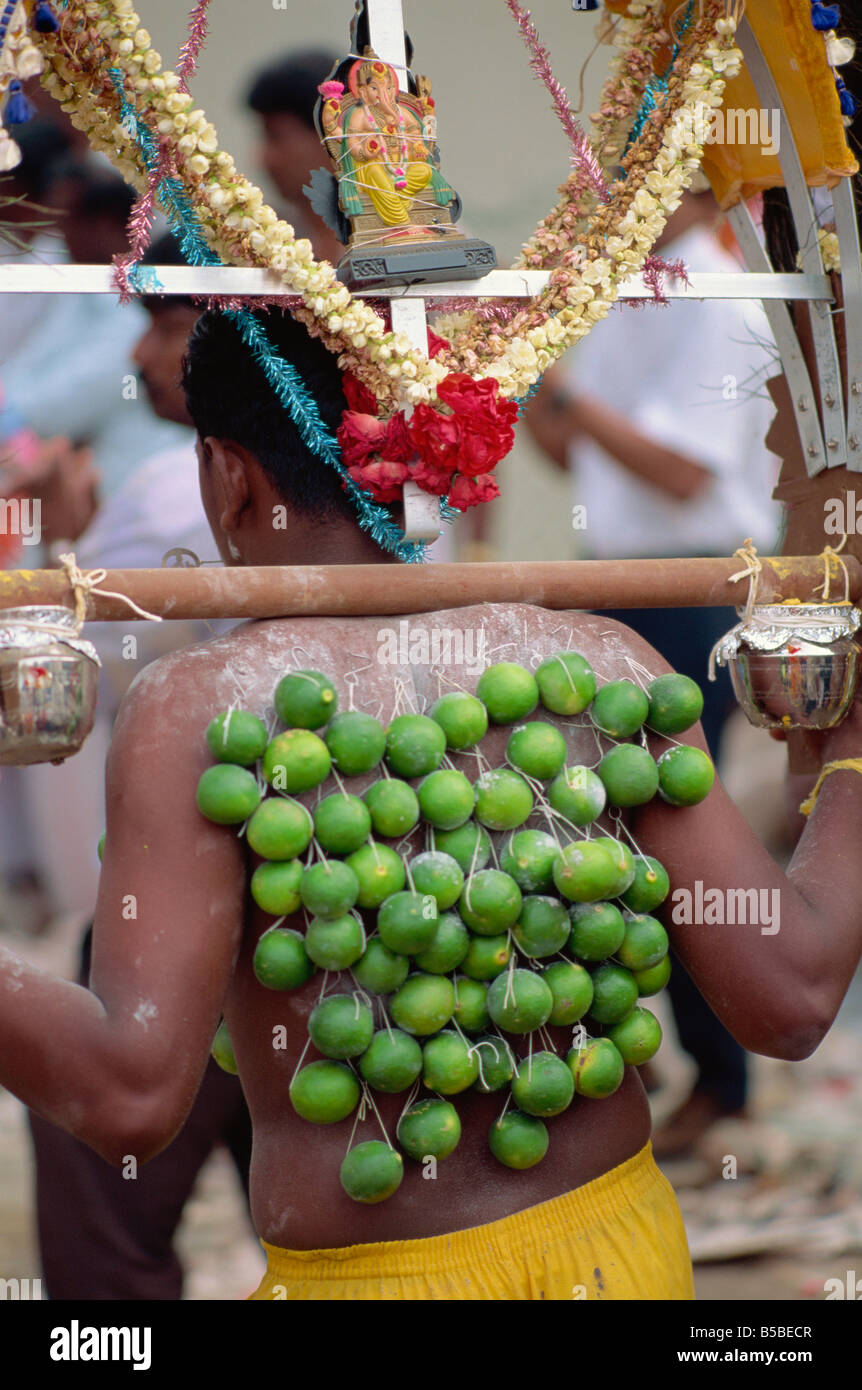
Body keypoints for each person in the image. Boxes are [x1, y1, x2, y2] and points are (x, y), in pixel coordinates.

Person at [2, 302, 862, 1301]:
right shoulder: (601, 662)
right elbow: (792, 996)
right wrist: (846, 753)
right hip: (622, 1260)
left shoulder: (205, 711)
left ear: (228, 478)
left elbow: (130, 1089)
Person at [525, 188, 782, 1155]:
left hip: (688, 595)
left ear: (702, 179)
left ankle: (726, 1081)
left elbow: (680, 473)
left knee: (672, 836)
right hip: (619, 585)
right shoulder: (632, 290)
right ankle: (651, 1068)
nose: (616, 187)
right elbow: (567, 453)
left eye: (647, 161)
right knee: (607, 836)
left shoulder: (715, 294)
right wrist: (530, 382)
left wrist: (560, 391)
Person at [22, 234, 254, 1300]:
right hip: (320, 902)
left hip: (164, 914)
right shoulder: (370, 493)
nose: (145, 352)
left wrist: (52, 564)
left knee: (107, 1232)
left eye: (168, 326)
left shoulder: (172, 489)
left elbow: (68, 690)